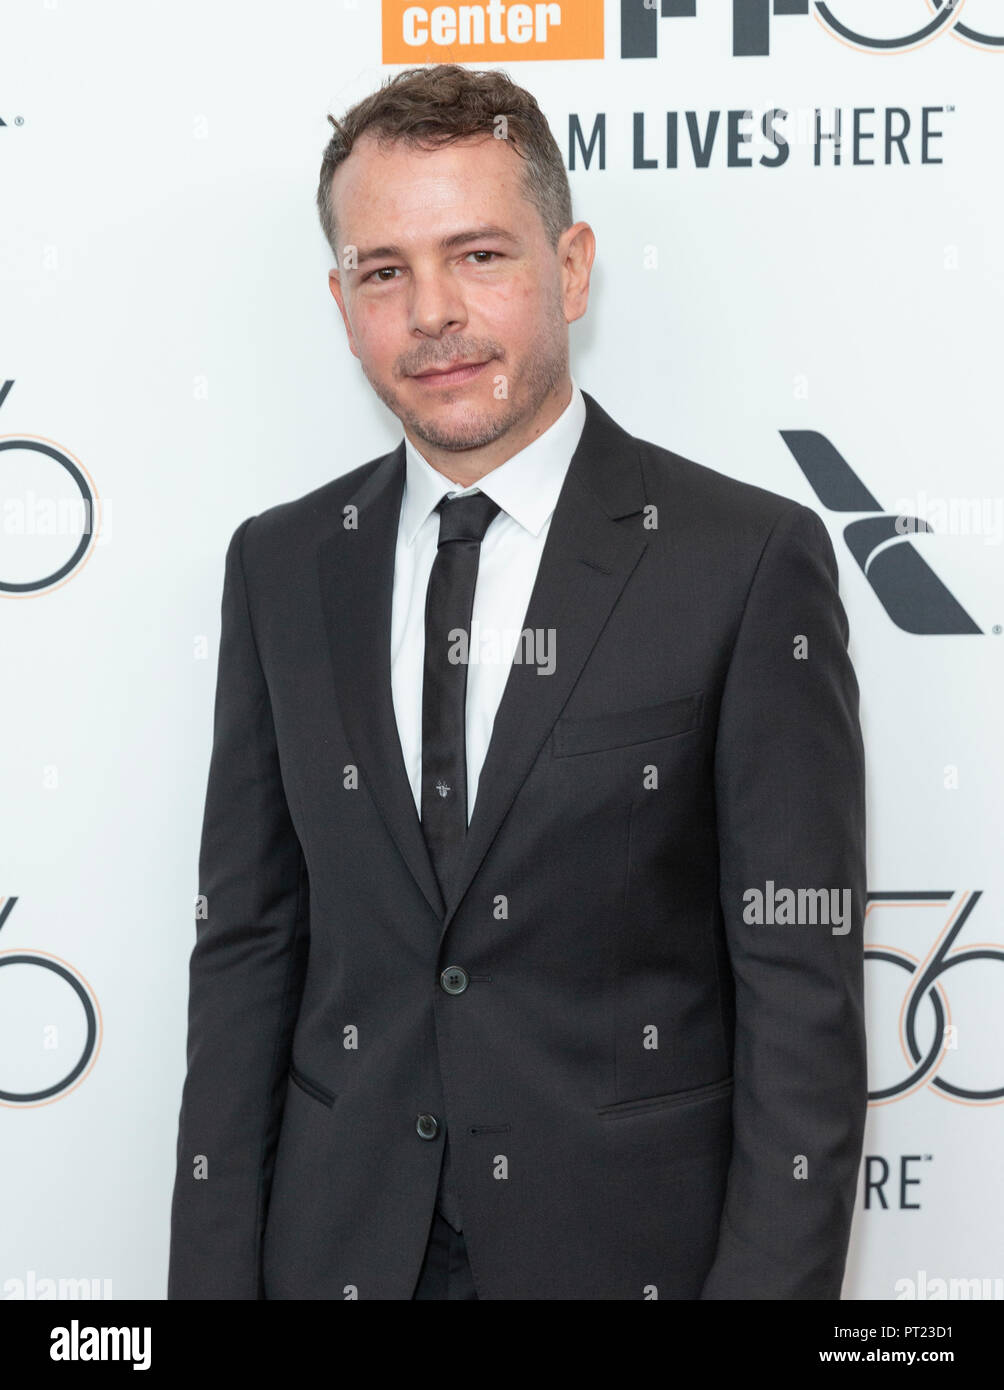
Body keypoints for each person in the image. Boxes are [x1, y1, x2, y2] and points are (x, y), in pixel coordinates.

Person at [168, 63, 867, 1301]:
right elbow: (247, 954)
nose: (430, 310)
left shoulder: (743, 562)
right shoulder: (278, 566)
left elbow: (797, 995)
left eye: (477, 254)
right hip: (337, 1251)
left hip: (629, 1258)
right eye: (384, 271)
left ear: (572, 267)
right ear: (342, 304)